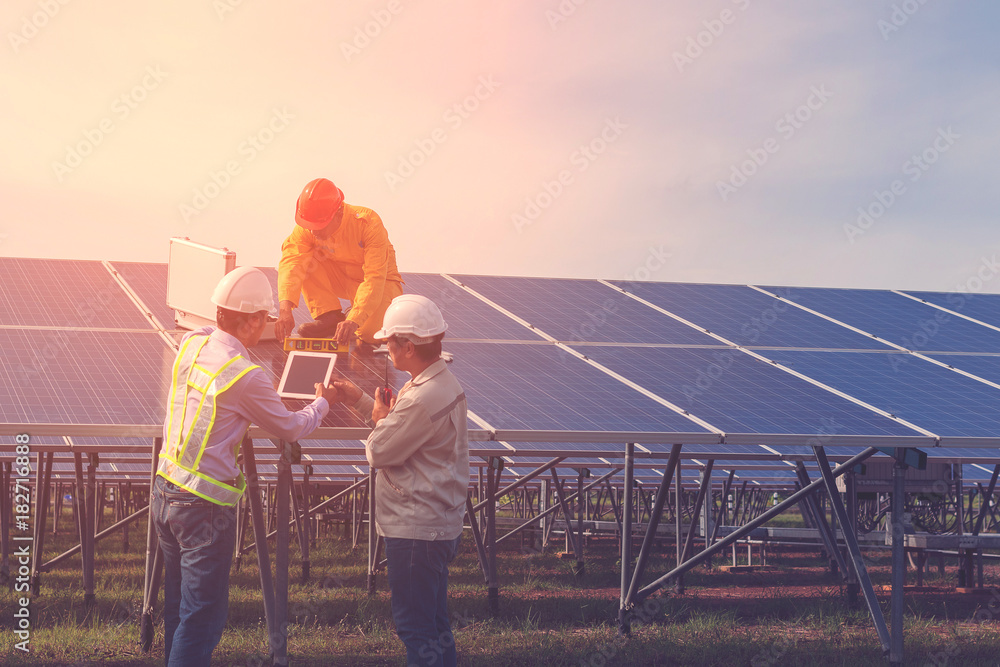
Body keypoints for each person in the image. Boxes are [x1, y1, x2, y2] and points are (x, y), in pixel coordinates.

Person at [152, 266, 338, 667]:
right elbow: (290, 427)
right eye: (264, 320)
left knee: (178, 607)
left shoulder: (191, 345)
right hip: (203, 506)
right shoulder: (245, 376)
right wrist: (321, 401)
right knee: (202, 618)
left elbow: (215, 349)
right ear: (252, 320)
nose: (267, 327)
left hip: (164, 491)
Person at [328, 294, 469, 667]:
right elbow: (399, 429)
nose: (384, 346)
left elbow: (379, 450)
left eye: (389, 340)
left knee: (416, 630)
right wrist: (358, 399)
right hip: (435, 525)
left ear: (407, 346)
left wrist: (376, 417)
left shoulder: (423, 396)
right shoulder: (438, 383)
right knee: (435, 626)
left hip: (416, 531)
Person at [275, 177, 404, 346]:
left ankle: (354, 314)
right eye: (310, 226)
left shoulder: (368, 224)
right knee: (304, 258)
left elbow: (374, 278)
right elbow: (292, 263)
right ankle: (329, 316)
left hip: (381, 285)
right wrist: (285, 309)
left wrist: (354, 319)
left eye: (319, 226)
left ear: (338, 214)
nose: (313, 232)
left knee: (371, 334)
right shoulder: (308, 225)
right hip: (342, 279)